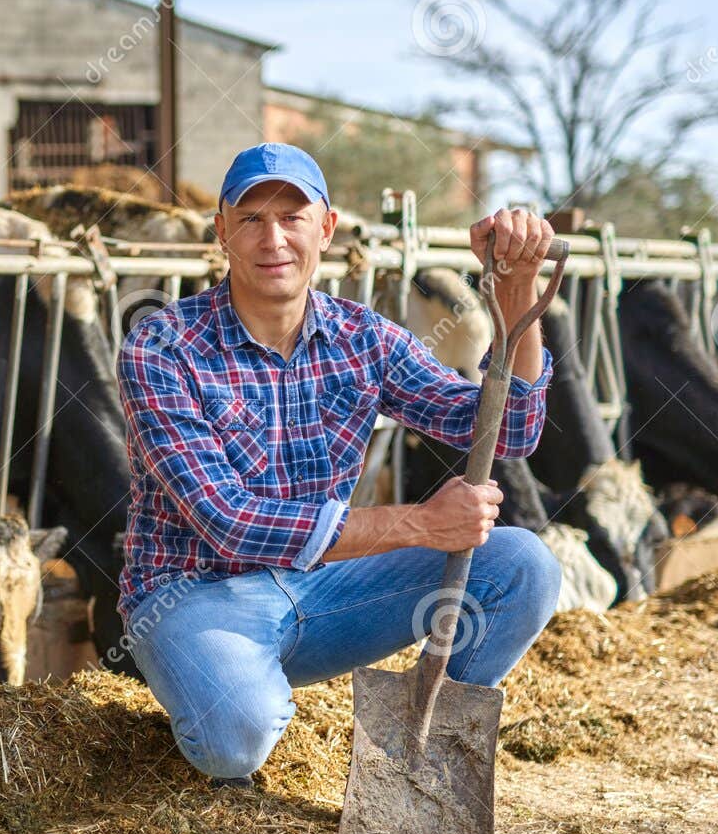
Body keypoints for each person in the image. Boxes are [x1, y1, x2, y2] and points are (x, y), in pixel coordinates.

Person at [118, 142, 562, 787]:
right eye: (251, 219)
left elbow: (509, 429)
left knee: (523, 563)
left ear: (325, 229)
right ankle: (227, 684)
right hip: (196, 593)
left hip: (329, 589)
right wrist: (418, 524)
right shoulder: (163, 347)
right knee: (235, 741)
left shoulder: (363, 338)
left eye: (292, 218)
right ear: (221, 233)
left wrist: (517, 293)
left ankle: (427, 746)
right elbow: (230, 522)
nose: (273, 238)